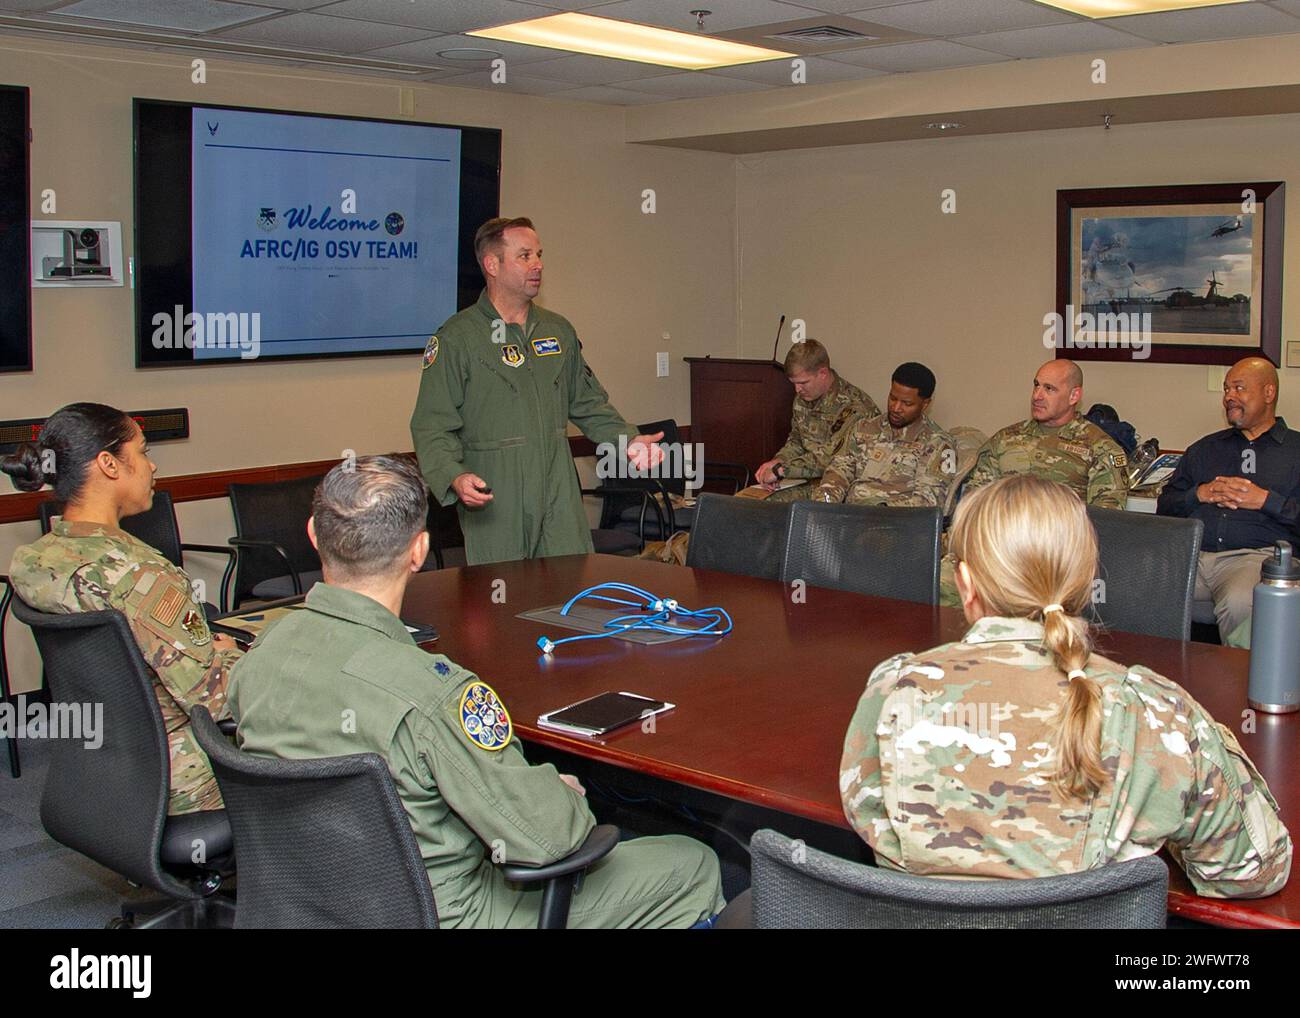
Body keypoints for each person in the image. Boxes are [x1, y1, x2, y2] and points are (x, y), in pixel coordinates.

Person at [228, 455, 726, 928]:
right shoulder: (436, 693)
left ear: (315, 536)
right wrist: (562, 794)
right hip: (444, 913)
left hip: (306, 901)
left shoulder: (262, 652)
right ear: (419, 551)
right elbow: (548, 840)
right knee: (693, 862)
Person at [840, 474, 1292, 898]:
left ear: (965, 584)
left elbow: (870, 821)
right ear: (1087, 580)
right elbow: (1254, 871)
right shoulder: (1151, 712)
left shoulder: (895, 691)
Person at [3, 403, 236, 815]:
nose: (152, 467)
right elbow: (210, 700)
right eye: (143, 452)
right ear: (109, 464)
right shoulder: (142, 574)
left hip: (103, 766)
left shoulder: (32, 562)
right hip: (182, 779)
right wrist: (232, 653)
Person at [411, 217, 661, 566]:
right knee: (502, 593)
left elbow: (588, 402)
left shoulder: (557, 330)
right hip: (495, 487)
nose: (538, 265)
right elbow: (432, 425)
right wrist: (454, 475)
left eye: (539, 254)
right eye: (525, 255)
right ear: (492, 264)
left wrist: (628, 440)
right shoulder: (458, 338)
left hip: (556, 481)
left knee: (570, 580)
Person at [938, 358, 1129, 605]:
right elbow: (976, 501)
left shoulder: (1099, 448)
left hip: (1054, 556)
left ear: (1074, 396)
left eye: (1049, 389)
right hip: (998, 545)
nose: (1037, 395)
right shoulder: (1005, 440)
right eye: (1036, 386)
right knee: (944, 579)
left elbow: (1105, 521)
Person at [1157, 356, 1299, 641]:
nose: (1229, 397)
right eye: (1226, 390)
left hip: (1253, 559)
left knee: (1240, 602)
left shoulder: (1295, 453)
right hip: (1192, 556)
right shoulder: (1205, 449)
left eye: (1239, 388)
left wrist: (1266, 501)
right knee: (1139, 586)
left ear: (1268, 393)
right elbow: (1165, 506)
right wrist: (1199, 494)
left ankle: (1240, 685)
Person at [813, 362, 956, 507]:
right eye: (893, 398)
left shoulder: (938, 444)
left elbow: (929, 500)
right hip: (851, 515)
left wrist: (881, 512)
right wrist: (825, 501)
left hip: (895, 521)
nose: (896, 408)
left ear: (925, 404)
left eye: (907, 403)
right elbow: (839, 469)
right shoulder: (864, 428)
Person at [754, 339, 880, 503]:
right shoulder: (804, 398)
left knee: (795, 514)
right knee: (755, 505)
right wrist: (778, 461)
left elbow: (832, 457)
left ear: (822, 373)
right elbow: (797, 440)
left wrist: (782, 470)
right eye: (794, 383)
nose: (797, 390)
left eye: (803, 383)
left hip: (844, 487)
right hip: (807, 480)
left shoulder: (855, 407)